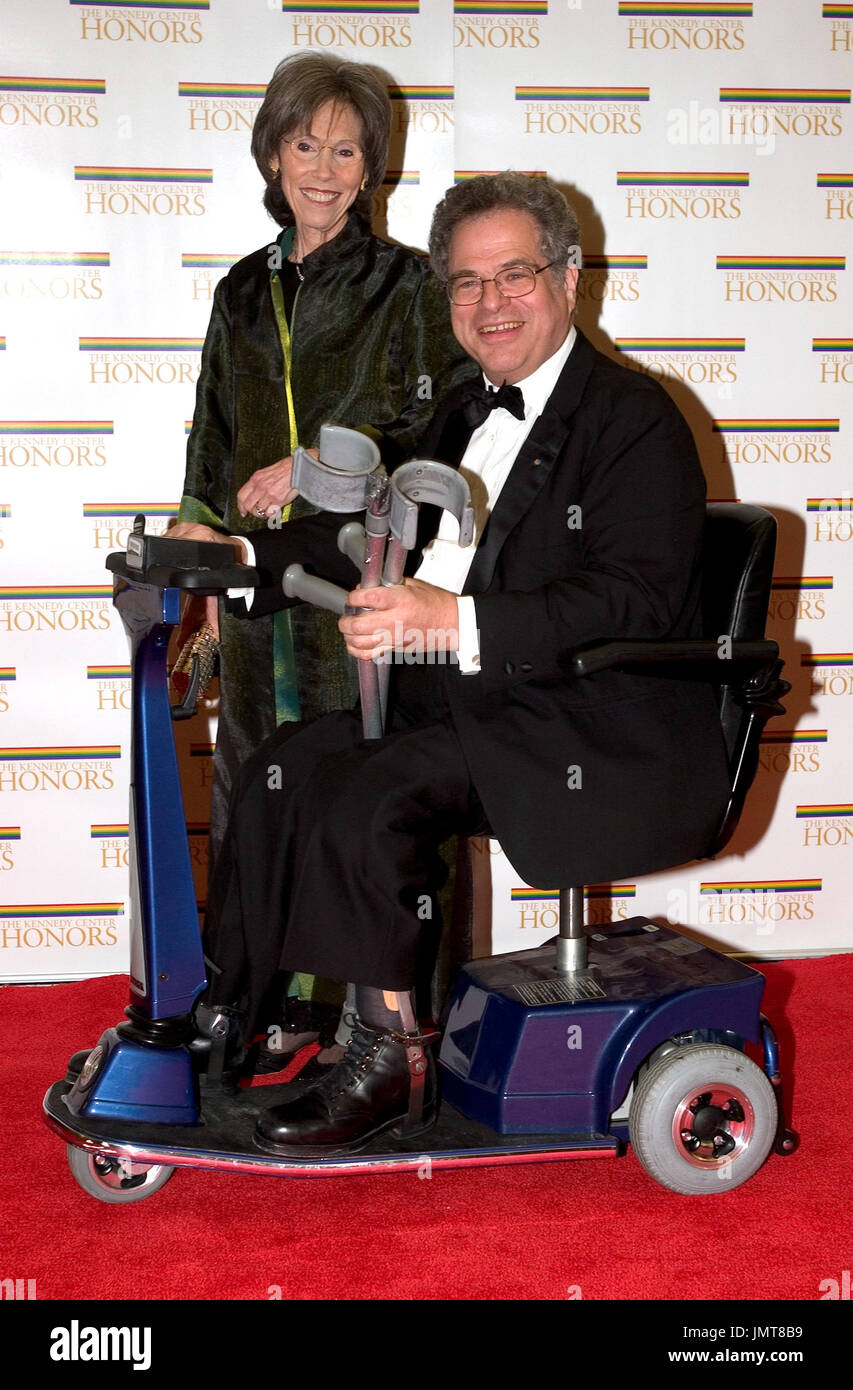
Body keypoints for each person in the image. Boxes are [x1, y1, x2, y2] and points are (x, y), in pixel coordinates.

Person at [176, 172, 731, 1156]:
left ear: (567, 279)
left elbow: (634, 600)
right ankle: (237, 1014)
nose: (488, 304)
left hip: (588, 719)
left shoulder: (634, 417)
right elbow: (376, 541)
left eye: (512, 274)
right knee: (282, 767)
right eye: (465, 284)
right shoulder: (467, 405)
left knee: (368, 791)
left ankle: (386, 1058)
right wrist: (250, 561)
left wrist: (454, 619)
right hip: (474, 705)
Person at [175, 52, 475, 1056]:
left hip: (367, 580)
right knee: (259, 780)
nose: (323, 166)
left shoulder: (407, 286)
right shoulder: (238, 292)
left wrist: (316, 467)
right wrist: (195, 525)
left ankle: (384, 1023)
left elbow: (441, 422)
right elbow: (213, 429)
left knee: (370, 794)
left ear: (372, 168)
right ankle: (267, 999)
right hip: (259, 590)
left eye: (346, 149)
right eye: (305, 143)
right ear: (272, 150)